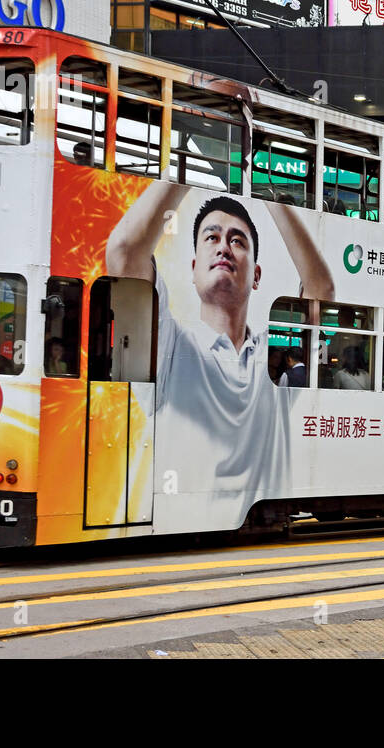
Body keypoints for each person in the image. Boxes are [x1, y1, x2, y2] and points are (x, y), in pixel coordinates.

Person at [105, 181, 334, 530]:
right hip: (177, 515)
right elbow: (123, 251)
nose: (224, 247)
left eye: (237, 240)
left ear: (256, 275)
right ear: (194, 268)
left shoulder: (269, 363)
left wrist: (273, 202)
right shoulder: (171, 342)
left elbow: (322, 289)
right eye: (212, 237)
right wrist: (179, 176)